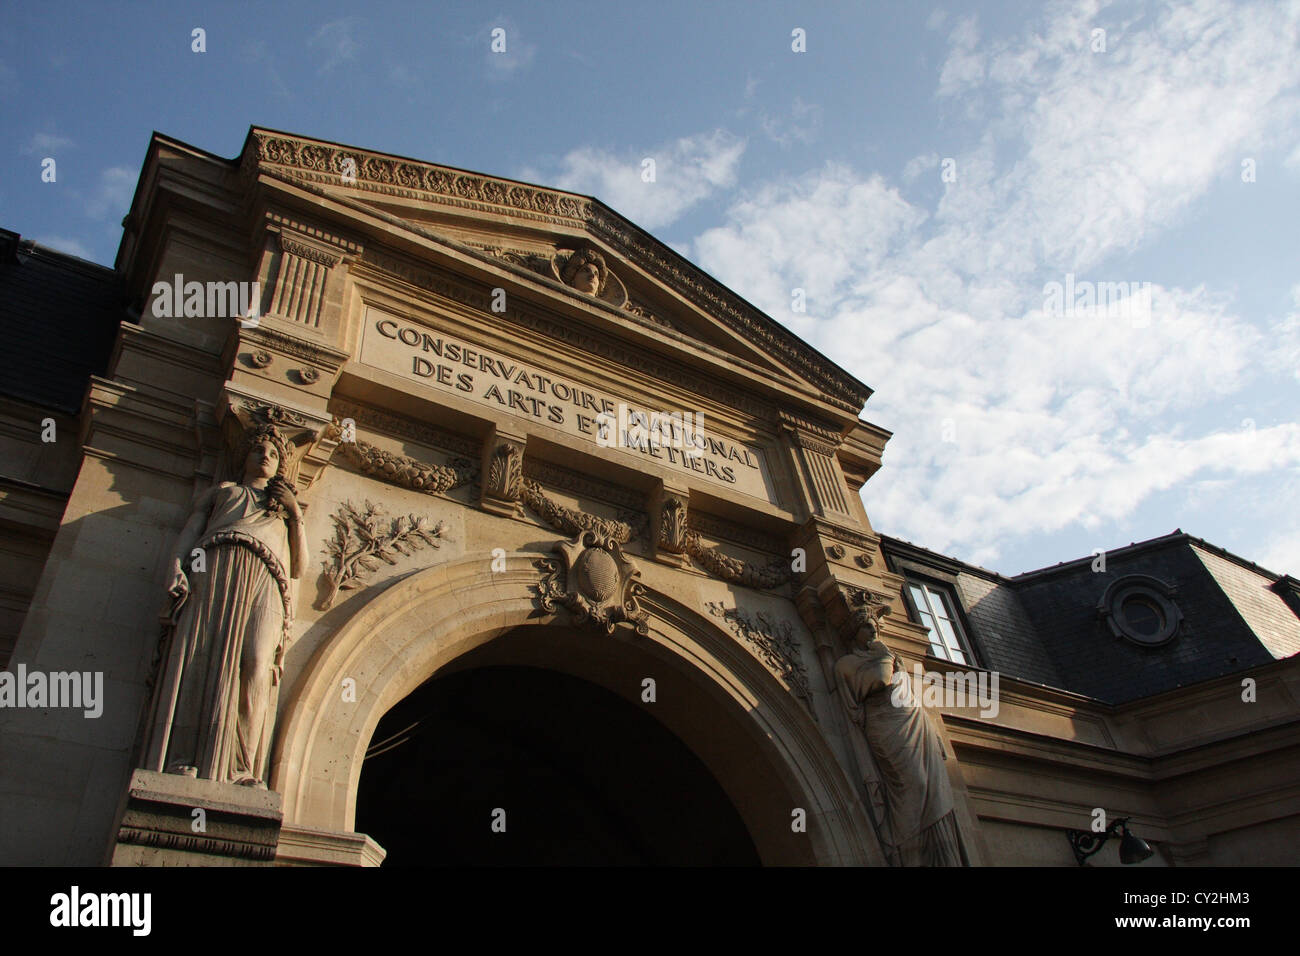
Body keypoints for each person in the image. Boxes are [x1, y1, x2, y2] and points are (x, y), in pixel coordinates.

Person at [146, 424, 306, 786]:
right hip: (215, 567)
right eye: (257, 451)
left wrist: (295, 512)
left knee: (255, 664)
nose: (264, 457)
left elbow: (300, 566)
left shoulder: (282, 510)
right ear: (244, 458)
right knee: (201, 659)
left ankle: (241, 767)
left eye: (273, 454)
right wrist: (176, 564)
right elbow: (191, 530)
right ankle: (186, 759)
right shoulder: (224, 491)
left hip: (267, 580)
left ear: (281, 465)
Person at [834, 607, 968, 865]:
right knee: (914, 785)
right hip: (887, 728)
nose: (873, 630)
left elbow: (907, 692)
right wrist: (884, 657)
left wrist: (933, 733)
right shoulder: (847, 664)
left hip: (914, 723)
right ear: (853, 632)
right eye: (866, 626)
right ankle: (912, 853)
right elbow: (883, 680)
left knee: (936, 790)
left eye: (875, 625)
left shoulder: (892, 656)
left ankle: (943, 855)